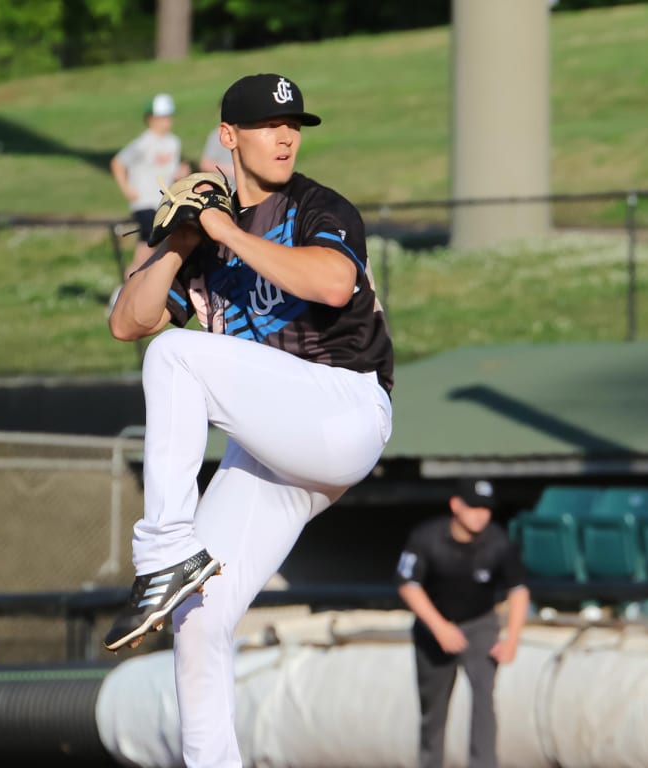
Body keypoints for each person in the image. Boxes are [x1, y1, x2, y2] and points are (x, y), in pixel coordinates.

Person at [103, 73, 394, 768]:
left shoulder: (319, 206)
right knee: (196, 619)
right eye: (267, 124)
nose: (286, 135)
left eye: (294, 123)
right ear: (229, 137)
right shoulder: (203, 232)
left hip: (342, 409)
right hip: (273, 451)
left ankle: (164, 546)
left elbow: (331, 282)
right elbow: (124, 322)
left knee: (177, 357)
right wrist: (178, 241)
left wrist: (223, 229)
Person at [396, 479, 529, 768]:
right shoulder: (427, 537)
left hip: (480, 623)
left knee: (484, 697)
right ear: (457, 506)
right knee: (433, 709)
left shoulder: (498, 542)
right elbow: (408, 584)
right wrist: (439, 627)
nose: (481, 514)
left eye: (487, 509)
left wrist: (512, 640)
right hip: (435, 627)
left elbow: (518, 589)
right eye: (474, 507)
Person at [112, 93, 188, 275]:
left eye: (168, 116)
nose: (166, 121)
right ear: (150, 119)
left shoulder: (173, 142)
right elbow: (118, 163)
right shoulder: (143, 142)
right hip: (146, 203)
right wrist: (127, 189)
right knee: (145, 254)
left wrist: (181, 175)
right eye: (161, 117)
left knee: (162, 253)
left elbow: (170, 173)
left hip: (165, 203)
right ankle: (124, 293)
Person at [199, 125, 235, 192]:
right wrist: (233, 171)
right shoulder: (218, 135)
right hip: (222, 191)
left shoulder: (248, 133)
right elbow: (205, 164)